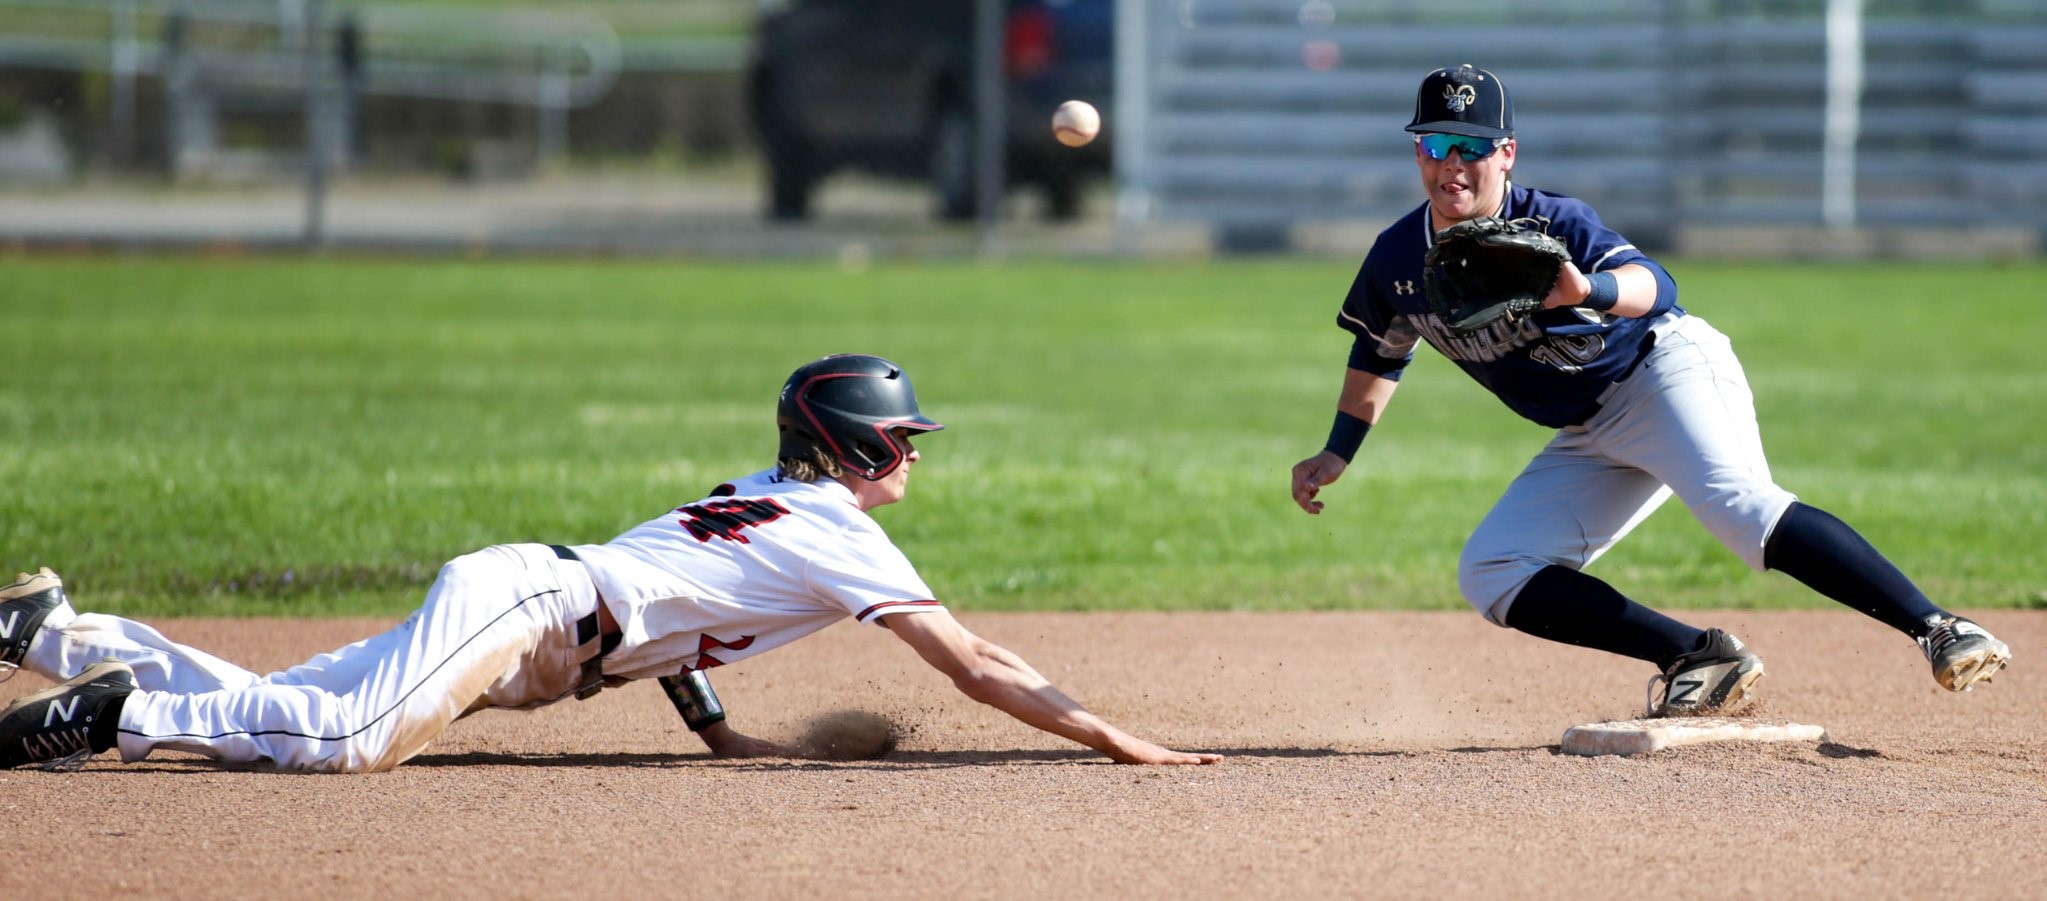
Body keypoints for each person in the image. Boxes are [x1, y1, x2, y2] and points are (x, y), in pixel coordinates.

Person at [0, 353, 1221, 772]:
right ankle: (118, 713)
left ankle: (49, 631)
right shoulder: (842, 530)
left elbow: (673, 608)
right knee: (338, 744)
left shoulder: (760, 498)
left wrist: (717, 731)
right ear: (848, 441)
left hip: (539, 607)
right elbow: (972, 662)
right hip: (536, 604)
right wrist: (1115, 735)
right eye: (901, 435)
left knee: (299, 705)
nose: (912, 451)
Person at [1288, 65, 2012, 717]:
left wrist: (1586, 288)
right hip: (1588, 426)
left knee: (1739, 505)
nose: (1451, 165)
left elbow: (1655, 285)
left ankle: (1939, 625)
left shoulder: (1551, 223)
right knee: (1492, 570)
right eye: (1434, 144)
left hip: (1665, 373)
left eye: (1471, 146)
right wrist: (1337, 451)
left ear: (1505, 152)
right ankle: (1697, 654)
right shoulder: (1395, 257)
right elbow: (1380, 348)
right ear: (1416, 151)